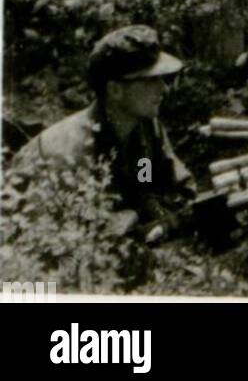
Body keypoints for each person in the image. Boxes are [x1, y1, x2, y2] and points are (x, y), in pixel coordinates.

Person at [10, 24, 196, 242]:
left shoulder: (144, 128)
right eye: (150, 81)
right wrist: (124, 223)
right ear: (115, 90)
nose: (163, 89)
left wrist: (151, 211)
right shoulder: (70, 152)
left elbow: (153, 181)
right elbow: (62, 234)